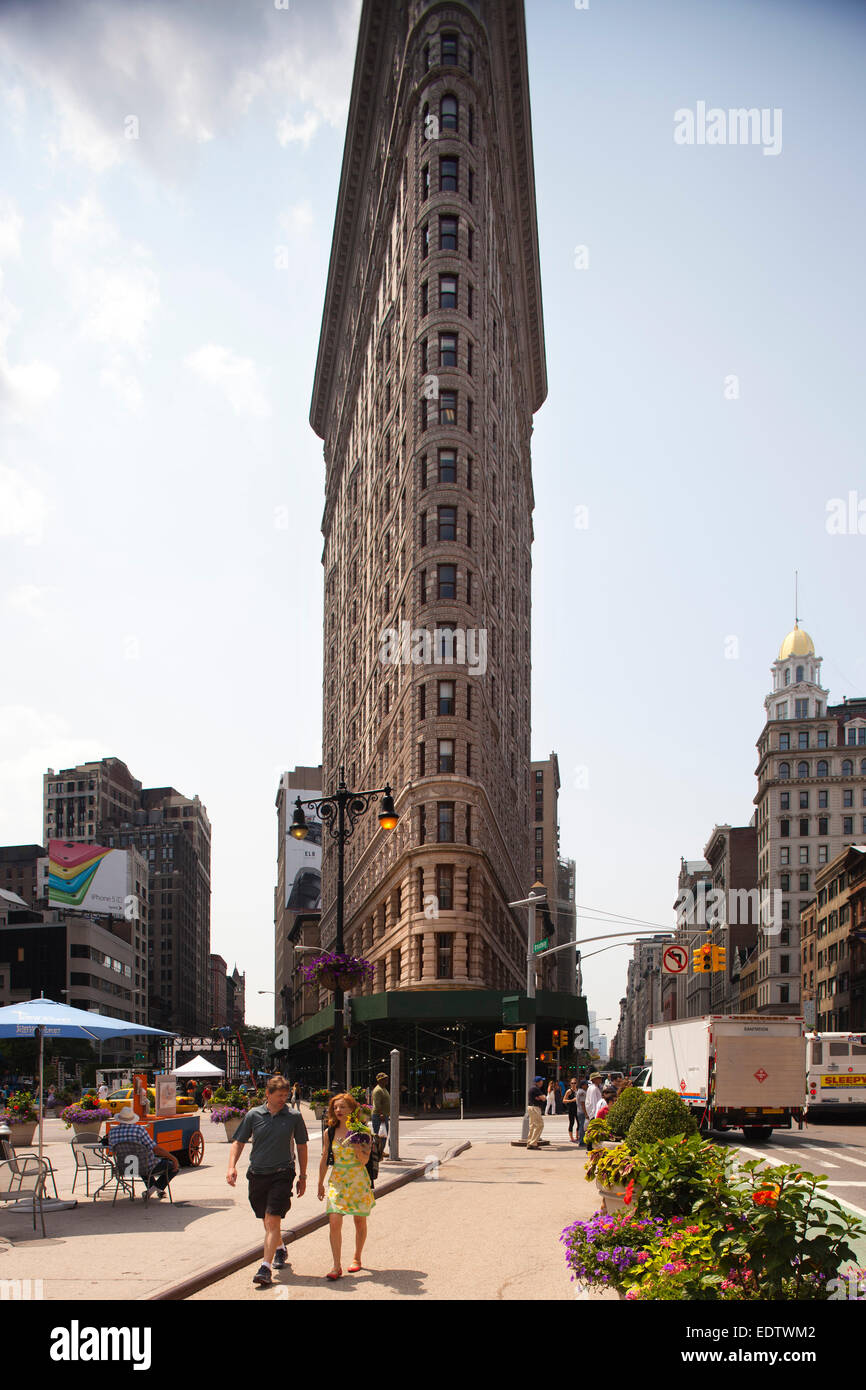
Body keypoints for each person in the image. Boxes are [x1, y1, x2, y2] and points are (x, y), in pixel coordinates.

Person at [226, 1073, 309, 1289]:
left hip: (283, 1172)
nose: (283, 1099)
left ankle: (265, 1267)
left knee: (273, 1219)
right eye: (279, 1095)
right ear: (268, 1094)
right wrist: (231, 1166)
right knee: (266, 1219)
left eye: (286, 1095)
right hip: (257, 1173)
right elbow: (239, 1142)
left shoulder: (293, 1116)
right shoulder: (254, 1115)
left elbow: (301, 1146)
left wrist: (303, 1176)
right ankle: (279, 1247)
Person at [317, 1092, 375, 1279]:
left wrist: (357, 1146)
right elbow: (325, 1156)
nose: (338, 1110)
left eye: (342, 1107)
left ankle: (357, 1257)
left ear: (352, 1109)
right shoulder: (330, 1132)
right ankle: (336, 1266)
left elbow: (365, 1160)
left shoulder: (363, 1131)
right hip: (338, 1179)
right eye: (335, 1107)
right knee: (334, 1220)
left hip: (358, 1179)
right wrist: (319, 1182)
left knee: (359, 1221)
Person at [105, 1113, 178, 1199]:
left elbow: (111, 1150)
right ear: (132, 1120)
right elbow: (156, 1150)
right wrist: (174, 1159)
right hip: (143, 1166)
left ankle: (156, 1191)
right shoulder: (139, 1130)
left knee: (141, 1163)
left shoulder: (112, 1132)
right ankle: (151, 1191)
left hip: (125, 1167)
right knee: (173, 1166)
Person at [370, 1073, 390, 1158]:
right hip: (379, 1115)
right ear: (380, 1080)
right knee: (380, 1135)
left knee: (383, 1134)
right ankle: (378, 1152)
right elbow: (377, 1104)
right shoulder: (378, 1090)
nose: (387, 1080)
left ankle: (381, 1151)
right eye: (385, 1079)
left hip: (383, 1115)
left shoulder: (383, 1089)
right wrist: (381, 1114)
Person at [526, 1075, 546, 1149]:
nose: (542, 1082)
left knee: (532, 1126)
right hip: (535, 1108)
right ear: (538, 1082)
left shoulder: (533, 1088)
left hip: (531, 1107)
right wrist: (542, 1097)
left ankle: (529, 1142)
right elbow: (544, 1098)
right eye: (541, 1081)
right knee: (540, 1125)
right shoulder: (536, 1089)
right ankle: (533, 1143)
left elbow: (541, 1098)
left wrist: (540, 1097)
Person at [563, 1077, 580, 1142]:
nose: (573, 1084)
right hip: (571, 1109)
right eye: (572, 1083)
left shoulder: (578, 1090)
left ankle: (577, 1136)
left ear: (577, 1083)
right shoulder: (569, 1091)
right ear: (570, 1084)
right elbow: (564, 1100)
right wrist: (572, 1100)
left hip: (578, 1109)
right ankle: (571, 1138)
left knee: (579, 1123)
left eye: (574, 1083)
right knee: (571, 1123)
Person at [575, 1079, 588, 1146]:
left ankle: (582, 1140)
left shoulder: (580, 1091)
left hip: (580, 1111)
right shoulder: (582, 1092)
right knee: (582, 1127)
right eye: (586, 1085)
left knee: (582, 1126)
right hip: (582, 1112)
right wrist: (586, 1113)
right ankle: (581, 1141)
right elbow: (583, 1104)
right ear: (582, 1085)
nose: (587, 1086)